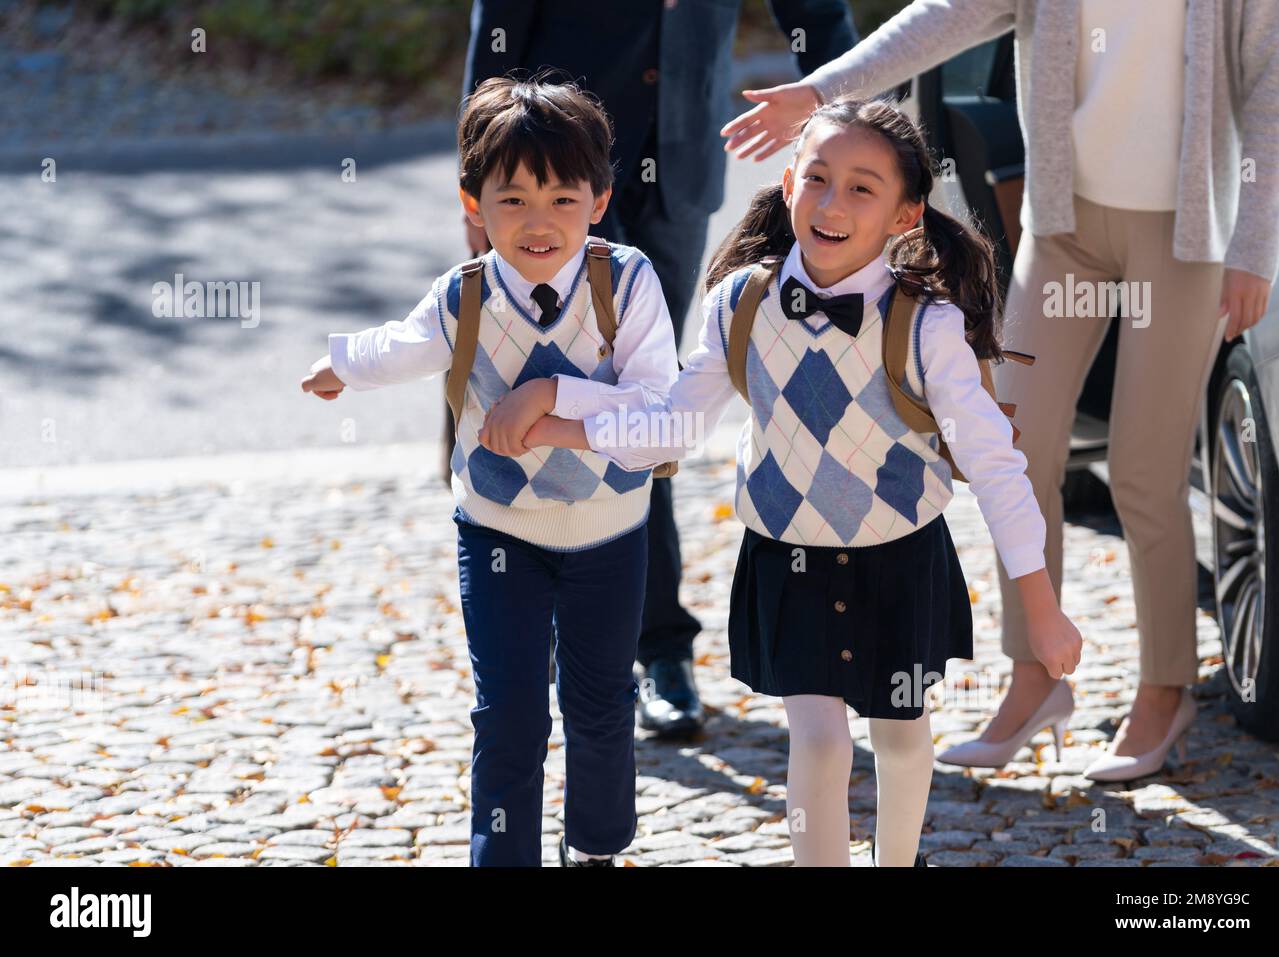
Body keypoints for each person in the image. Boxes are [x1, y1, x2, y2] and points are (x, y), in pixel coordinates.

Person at [482, 97, 1083, 865]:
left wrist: (1041, 608)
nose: (832, 203)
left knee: (900, 739)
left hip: (897, 559)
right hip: (786, 556)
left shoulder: (927, 325)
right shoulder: (741, 303)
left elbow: (996, 465)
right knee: (823, 742)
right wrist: (556, 410)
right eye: (819, 179)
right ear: (790, 181)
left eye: (862, 188)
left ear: (905, 214)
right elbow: (671, 422)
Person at [718, 0, 1279, 779]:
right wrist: (825, 90)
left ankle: (1164, 690)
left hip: (1186, 229)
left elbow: (1272, 88)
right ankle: (1035, 681)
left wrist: (1255, 247)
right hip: (1067, 226)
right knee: (1013, 443)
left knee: (1142, 472)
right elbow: (948, 15)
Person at [299, 75, 680, 866]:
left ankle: (598, 846)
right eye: (513, 201)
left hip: (610, 534)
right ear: (473, 203)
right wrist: (340, 364)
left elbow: (656, 415)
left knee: (601, 703)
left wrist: (550, 396)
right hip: (497, 532)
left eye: (562, 200)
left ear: (601, 199)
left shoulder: (629, 282)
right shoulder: (464, 297)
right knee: (506, 709)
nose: (539, 224)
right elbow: (403, 346)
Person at [460, 0, 859, 736]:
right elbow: (499, 31)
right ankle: (565, 623)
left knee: (648, 396)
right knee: (559, 389)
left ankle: (657, 647)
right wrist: (481, 184)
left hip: (677, 170)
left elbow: (819, 14)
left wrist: (862, 129)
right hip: (555, 174)